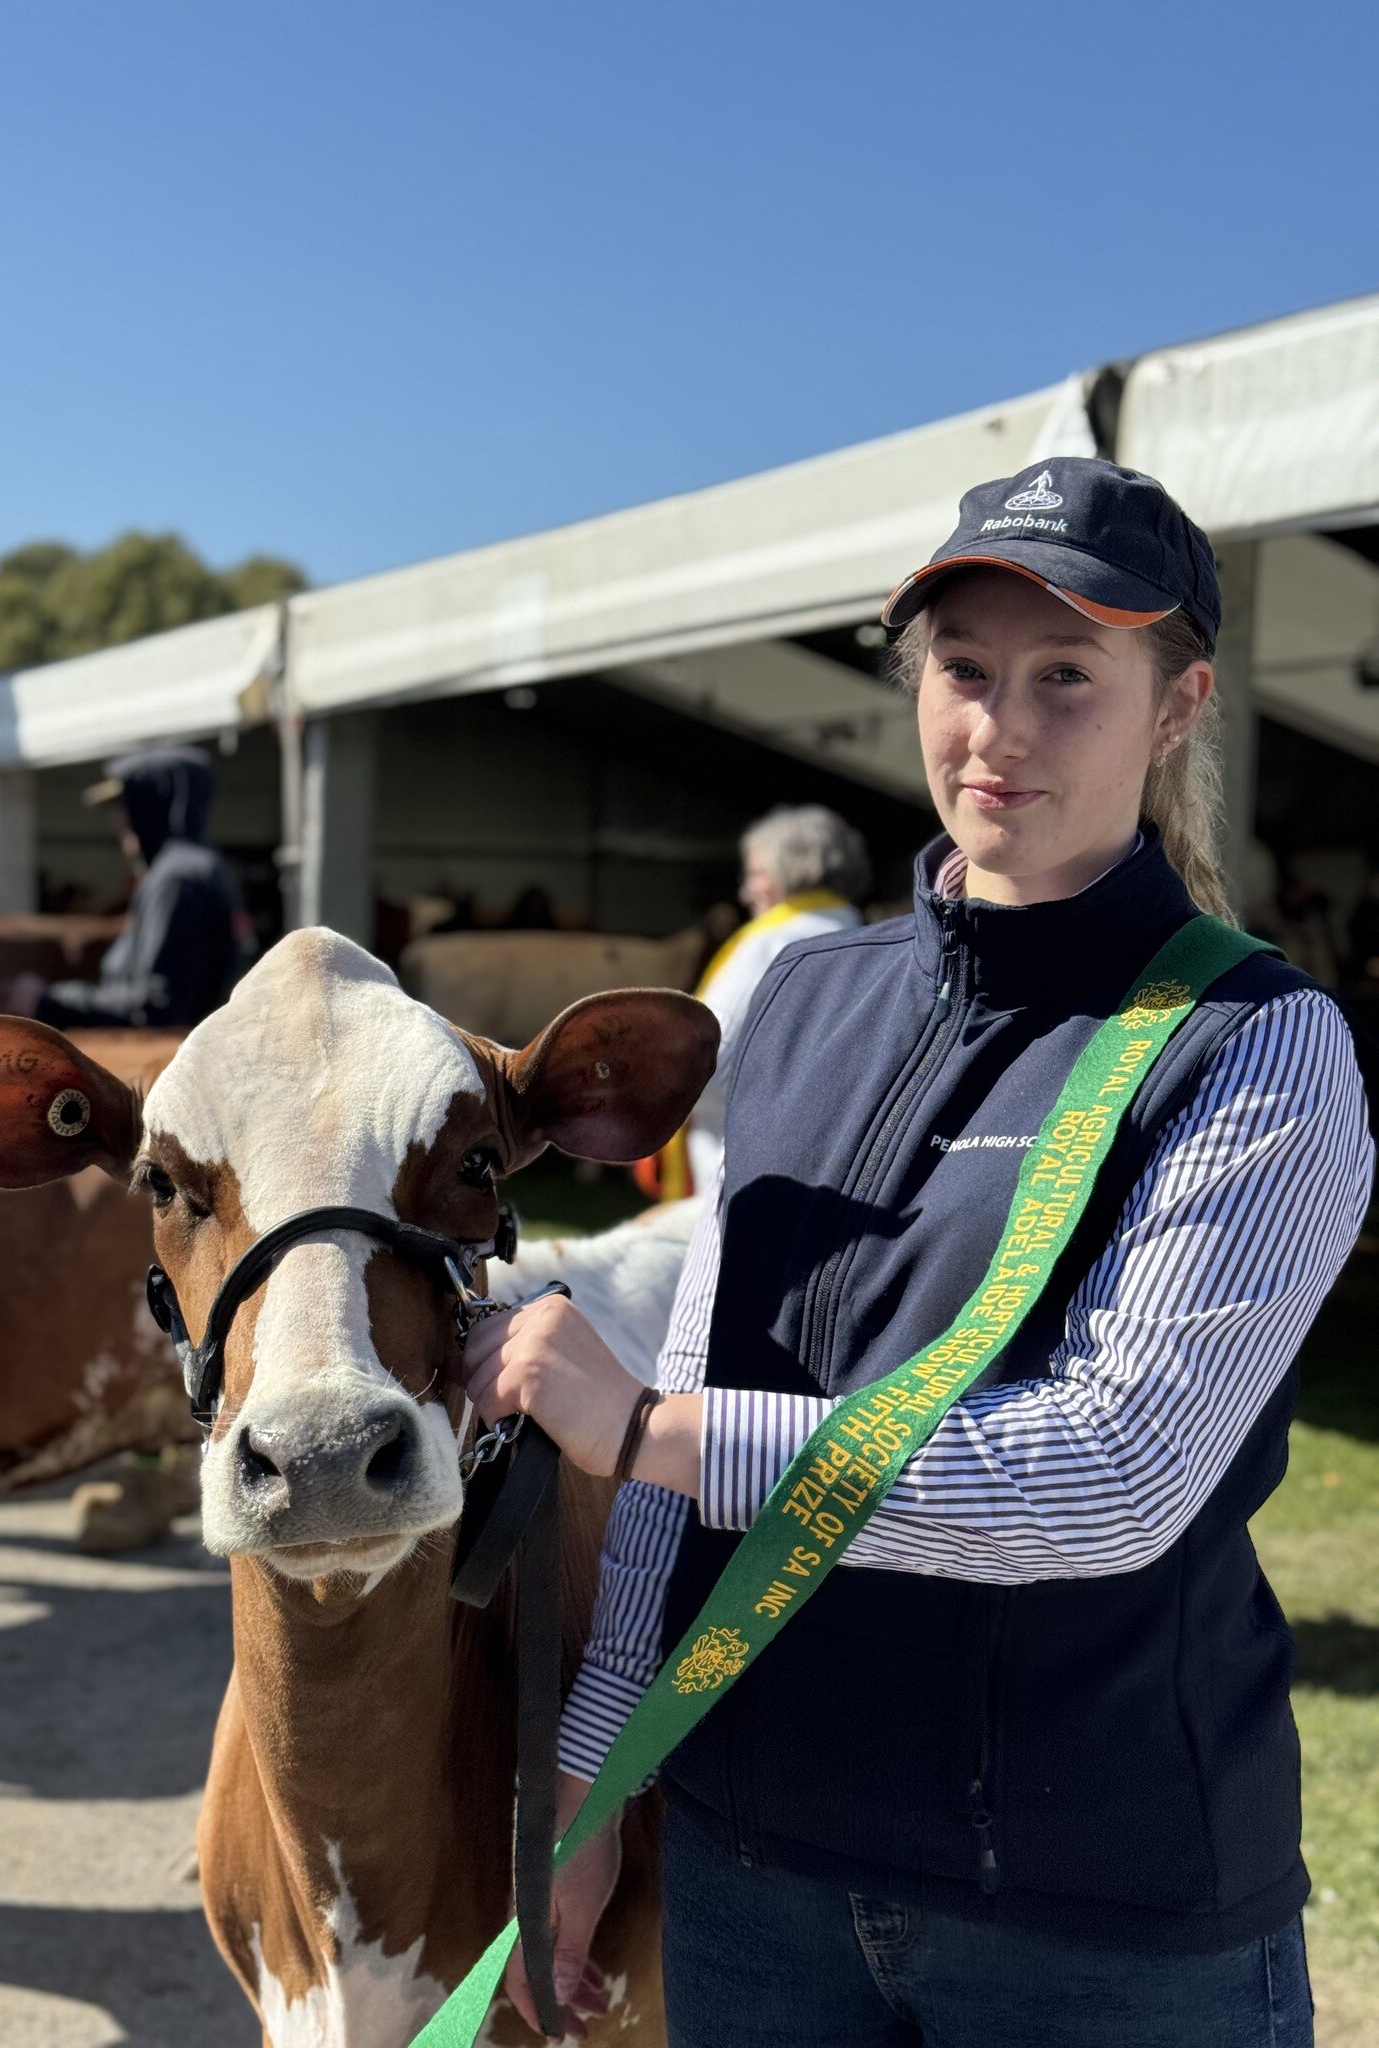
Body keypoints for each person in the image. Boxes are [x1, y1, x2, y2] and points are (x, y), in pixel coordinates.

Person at [461, 457, 1371, 2046]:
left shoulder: (1258, 1045)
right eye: (963, 671)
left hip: (1098, 1924)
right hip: (758, 1882)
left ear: (1179, 705)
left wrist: (656, 1437)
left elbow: (1111, 1474)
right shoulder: (809, 999)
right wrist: (596, 1781)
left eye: (1066, 677)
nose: (998, 730)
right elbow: (704, 1382)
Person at [644, 807, 867, 1198]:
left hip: (739, 1172)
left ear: (792, 868)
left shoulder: (772, 942)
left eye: (755, 874)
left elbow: (709, 1062)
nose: (746, 892)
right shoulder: (864, 936)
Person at [10, 744, 250, 1030]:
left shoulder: (175, 879)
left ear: (150, 805)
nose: (118, 820)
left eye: (125, 804)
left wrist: (48, 1001)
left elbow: (155, 1008)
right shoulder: (206, 867)